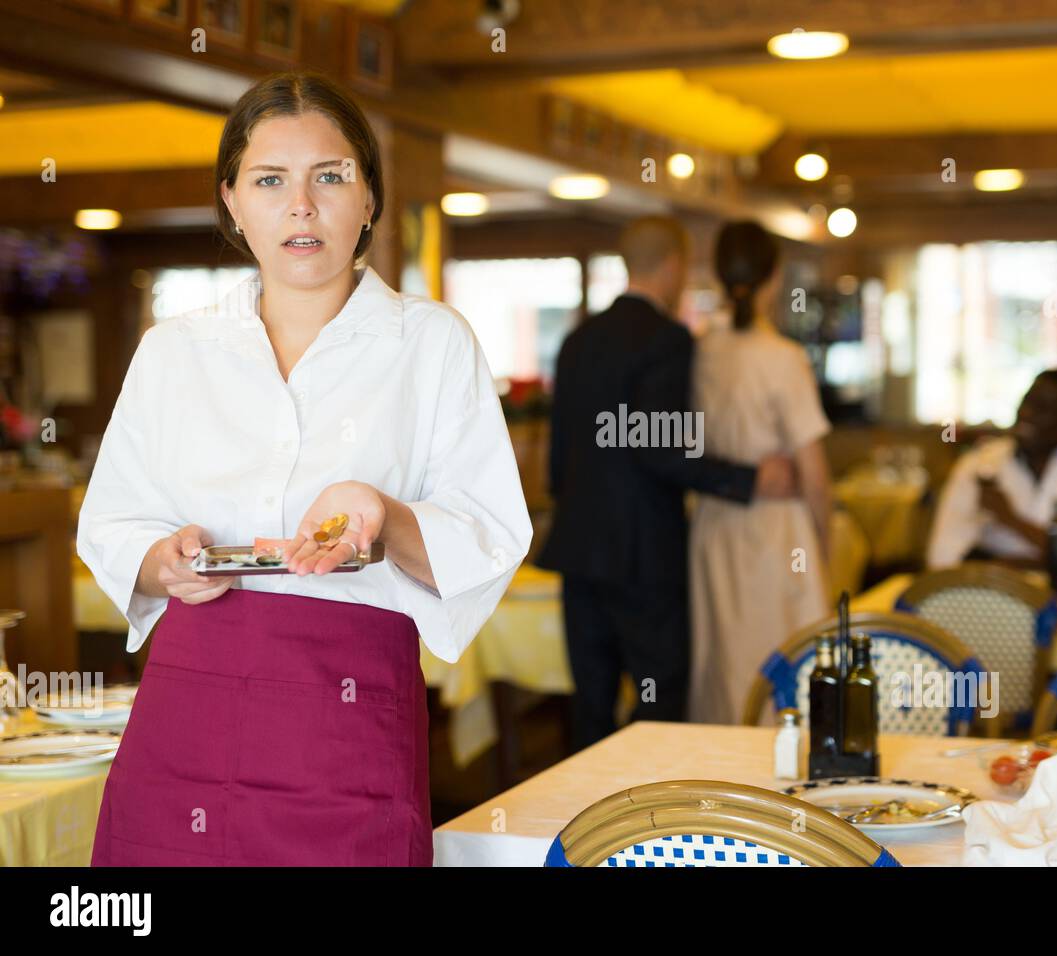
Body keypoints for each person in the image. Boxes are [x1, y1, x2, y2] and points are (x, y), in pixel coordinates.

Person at [76, 71, 531, 866]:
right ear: (232, 202)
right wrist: (161, 562)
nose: (302, 205)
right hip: (188, 699)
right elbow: (112, 519)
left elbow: (489, 529)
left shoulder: (431, 343)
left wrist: (384, 517)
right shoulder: (175, 350)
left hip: (348, 709)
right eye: (270, 180)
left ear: (369, 199)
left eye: (330, 176)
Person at [538, 217, 796, 749]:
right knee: (659, 701)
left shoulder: (577, 340)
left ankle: (581, 824)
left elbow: (559, 456)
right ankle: (648, 819)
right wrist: (748, 479)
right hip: (643, 555)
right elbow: (663, 448)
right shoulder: (668, 340)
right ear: (674, 265)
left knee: (591, 703)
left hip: (579, 548)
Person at [688, 221, 833, 725]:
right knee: (784, 661)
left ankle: (719, 786)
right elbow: (813, 472)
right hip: (777, 530)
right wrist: (825, 542)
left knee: (724, 664)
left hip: (715, 524)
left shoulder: (703, 349)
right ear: (775, 278)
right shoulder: (783, 358)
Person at [926, 368, 1057, 579]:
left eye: (1043, 409)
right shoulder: (977, 466)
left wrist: (1010, 520)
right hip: (989, 601)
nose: (1027, 414)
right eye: (1026, 402)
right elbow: (942, 559)